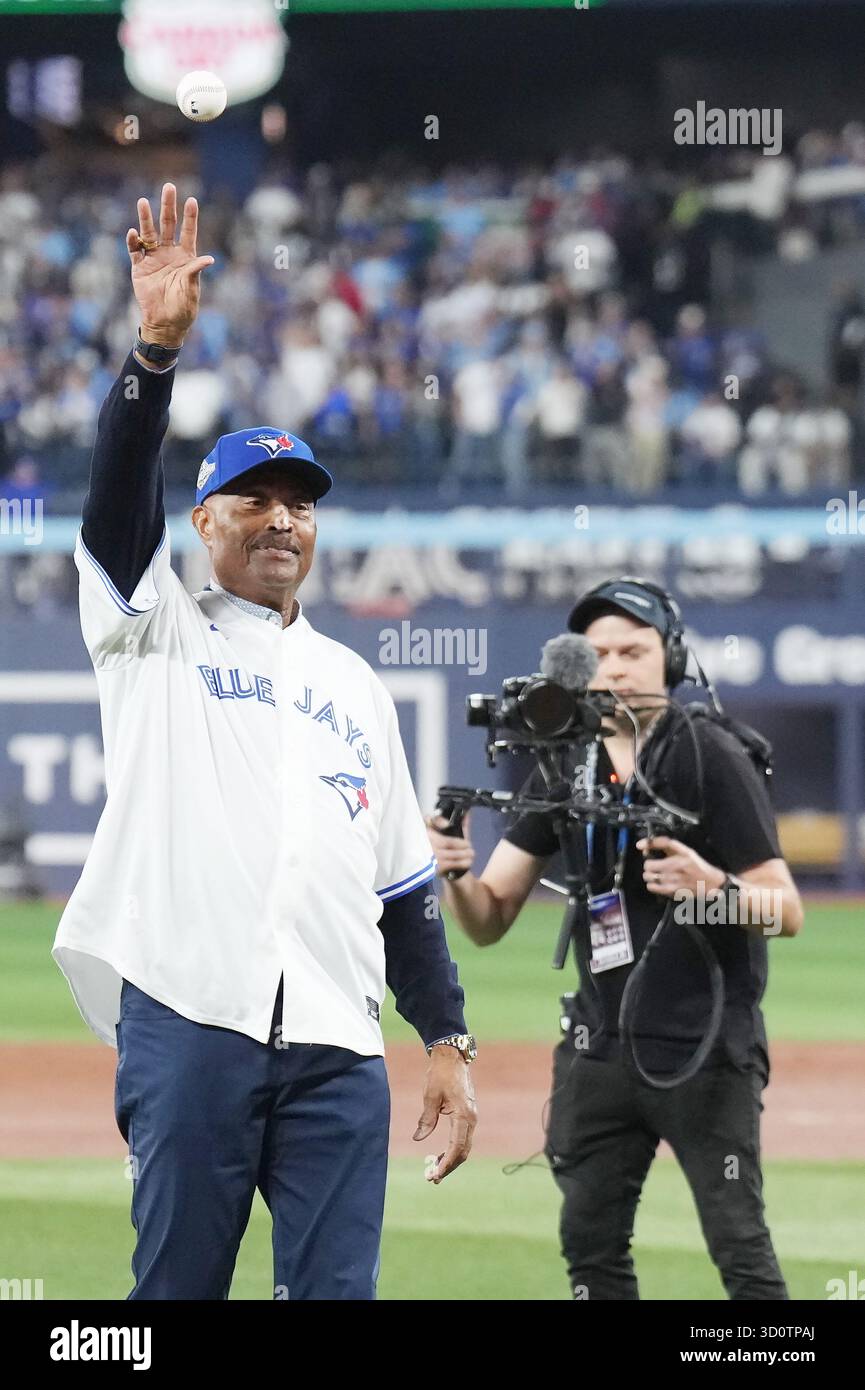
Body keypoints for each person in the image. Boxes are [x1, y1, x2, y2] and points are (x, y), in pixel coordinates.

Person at [52, 183, 477, 1302]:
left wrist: (445, 1038)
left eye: (300, 501)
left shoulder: (353, 684)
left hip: (339, 1042)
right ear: (204, 519)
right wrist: (152, 356)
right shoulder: (152, 630)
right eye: (253, 497)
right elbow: (111, 507)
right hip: (193, 1018)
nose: (282, 517)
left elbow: (402, 893)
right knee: (177, 1293)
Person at [427, 576, 803, 1301]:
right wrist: (455, 873)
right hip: (598, 1054)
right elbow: (488, 917)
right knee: (590, 1251)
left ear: (671, 659)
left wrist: (714, 890)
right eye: (598, 653)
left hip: (704, 1053)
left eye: (633, 650)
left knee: (740, 1253)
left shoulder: (709, 756)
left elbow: (783, 910)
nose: (616, 666)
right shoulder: (566, 761)